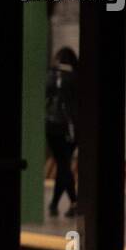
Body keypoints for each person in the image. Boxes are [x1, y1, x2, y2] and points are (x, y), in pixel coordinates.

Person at [45, 47, 79, 217]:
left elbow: (47, 92)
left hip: (55, 127)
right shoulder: (78, 76)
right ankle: (55, 203)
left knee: (63, 164)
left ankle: (74, 201)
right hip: (74, 129)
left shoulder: (55, 75)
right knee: (63, 164)